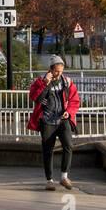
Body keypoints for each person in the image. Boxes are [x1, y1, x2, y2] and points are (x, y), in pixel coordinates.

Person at [28, 56, 80, 191]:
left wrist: (69, 112)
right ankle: (49, 180)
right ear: (50, 69)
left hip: (63, 120)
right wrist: (45, 84)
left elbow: (75, 100)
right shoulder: (40, 81)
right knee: (48, 150)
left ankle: (64, 176)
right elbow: (36, 98)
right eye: (56, 71)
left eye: (61, 71)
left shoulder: (67, 82)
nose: (59, 74)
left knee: (68, 145)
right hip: (47, 120)